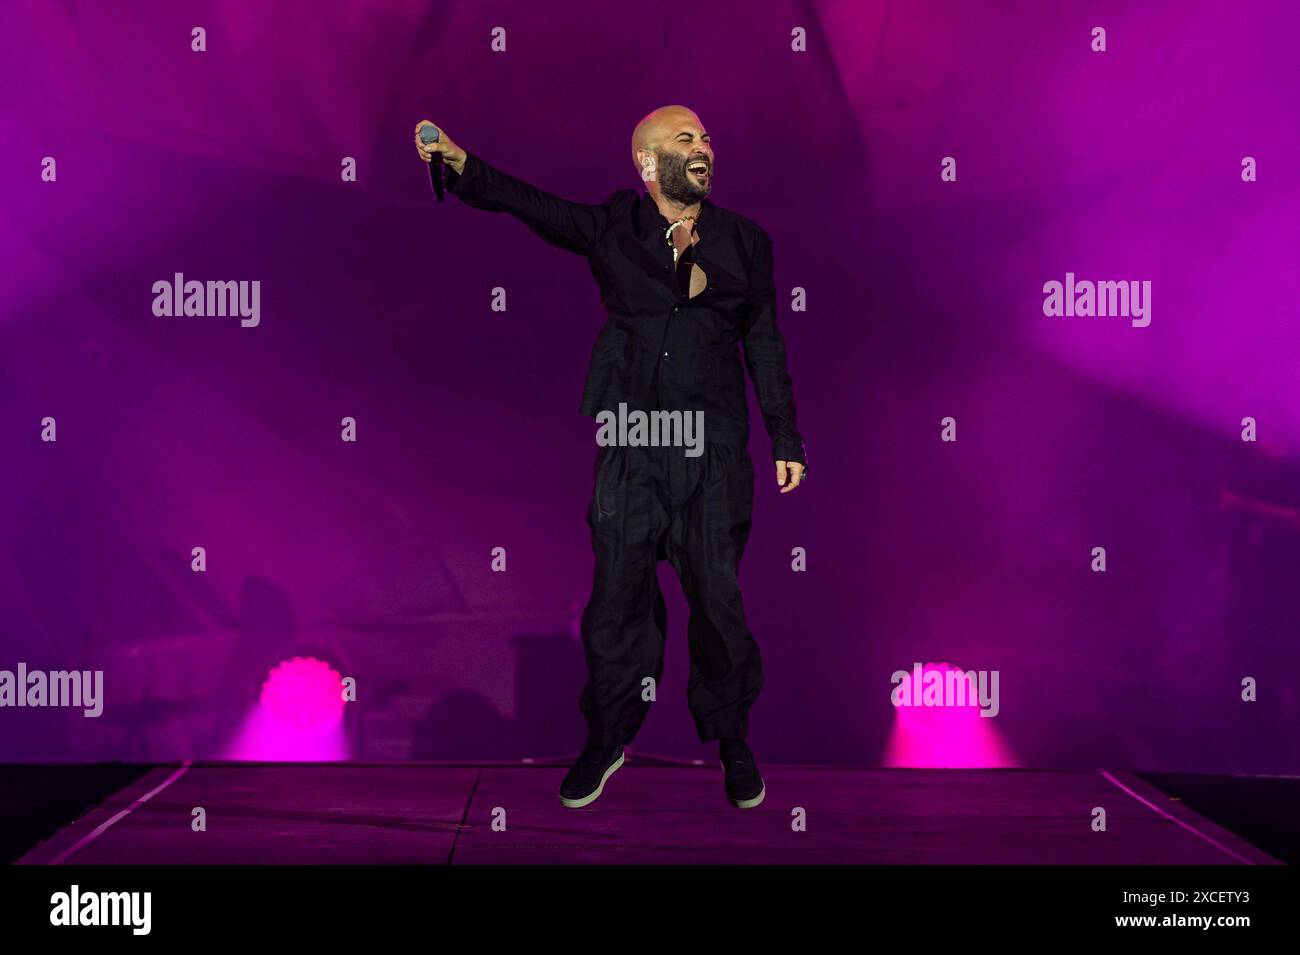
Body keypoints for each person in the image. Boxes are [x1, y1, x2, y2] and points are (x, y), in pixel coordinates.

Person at [415, 105, 807, 809]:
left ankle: (732, 737)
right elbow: (533, 206)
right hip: (632, 444)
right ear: (647, 163)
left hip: (711, 450)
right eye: (686, 139)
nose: (704, 147)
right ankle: (606, 739)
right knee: (617, 598)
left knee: (718, 599)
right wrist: (464, 166)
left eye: (709, 138)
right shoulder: (615, 228)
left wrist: (785, 436)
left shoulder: (746, 242)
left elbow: (766, 342)